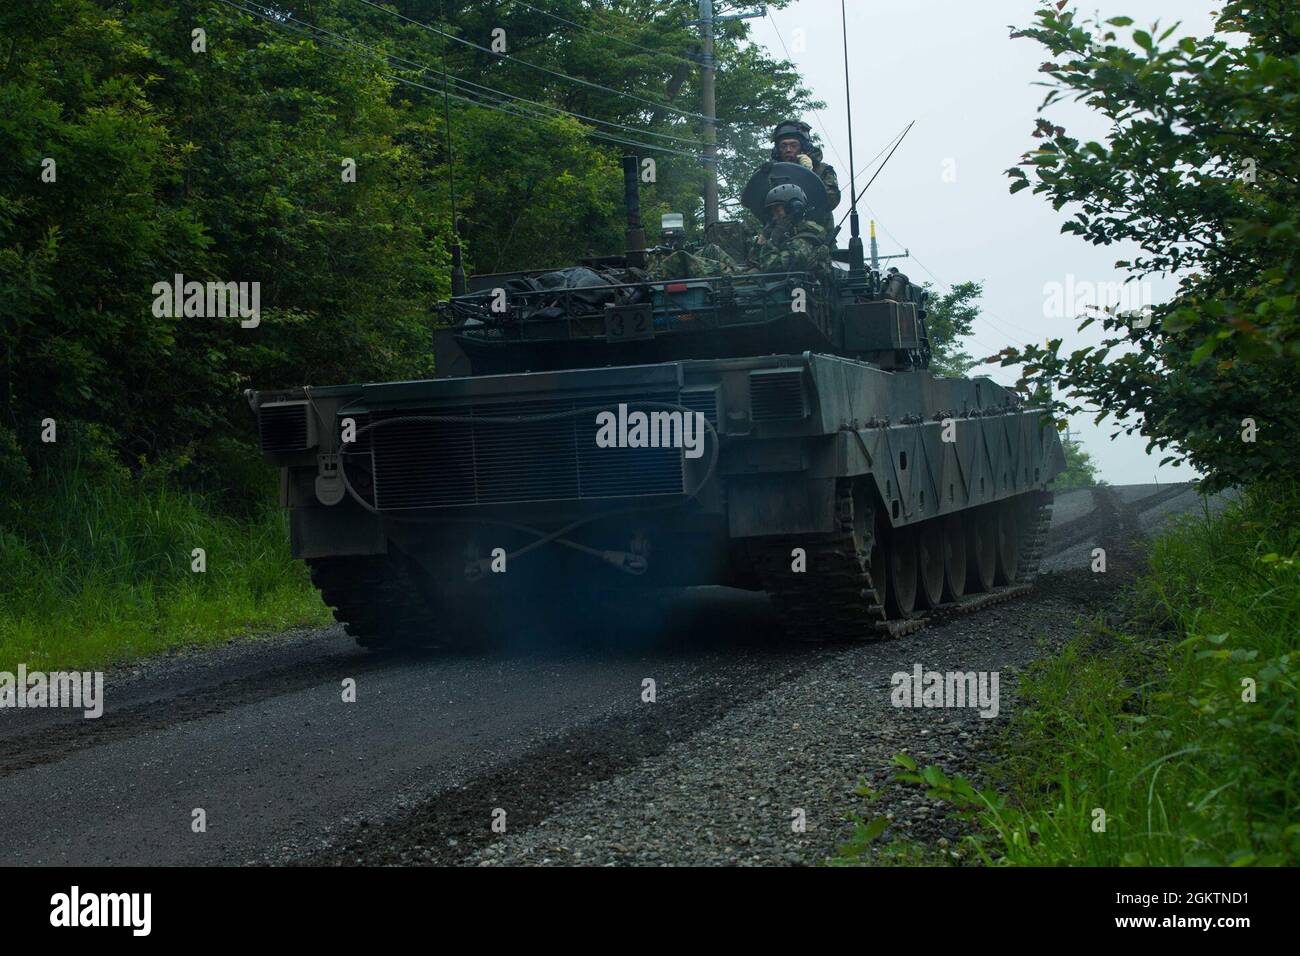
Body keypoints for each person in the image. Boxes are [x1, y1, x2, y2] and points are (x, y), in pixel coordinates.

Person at [764, 120, 841, 237]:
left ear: (803, 147)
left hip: (816, 237)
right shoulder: (772, 172)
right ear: (777, 150)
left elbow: (831, 201)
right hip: (776, 236)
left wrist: (809, 174)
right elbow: (754, 201)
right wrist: (763, 176)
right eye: (783, 145)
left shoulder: (822, 170)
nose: (788, 149)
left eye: (793, 145)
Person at [745, 184, 831, 277]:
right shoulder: (787, 235)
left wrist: (774, 239)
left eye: (777, 211)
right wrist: (763, 237)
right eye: (772, 213)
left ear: (794, 209)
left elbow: (771, 267)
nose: (774, 218)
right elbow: (753, 262)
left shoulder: (807, 239)